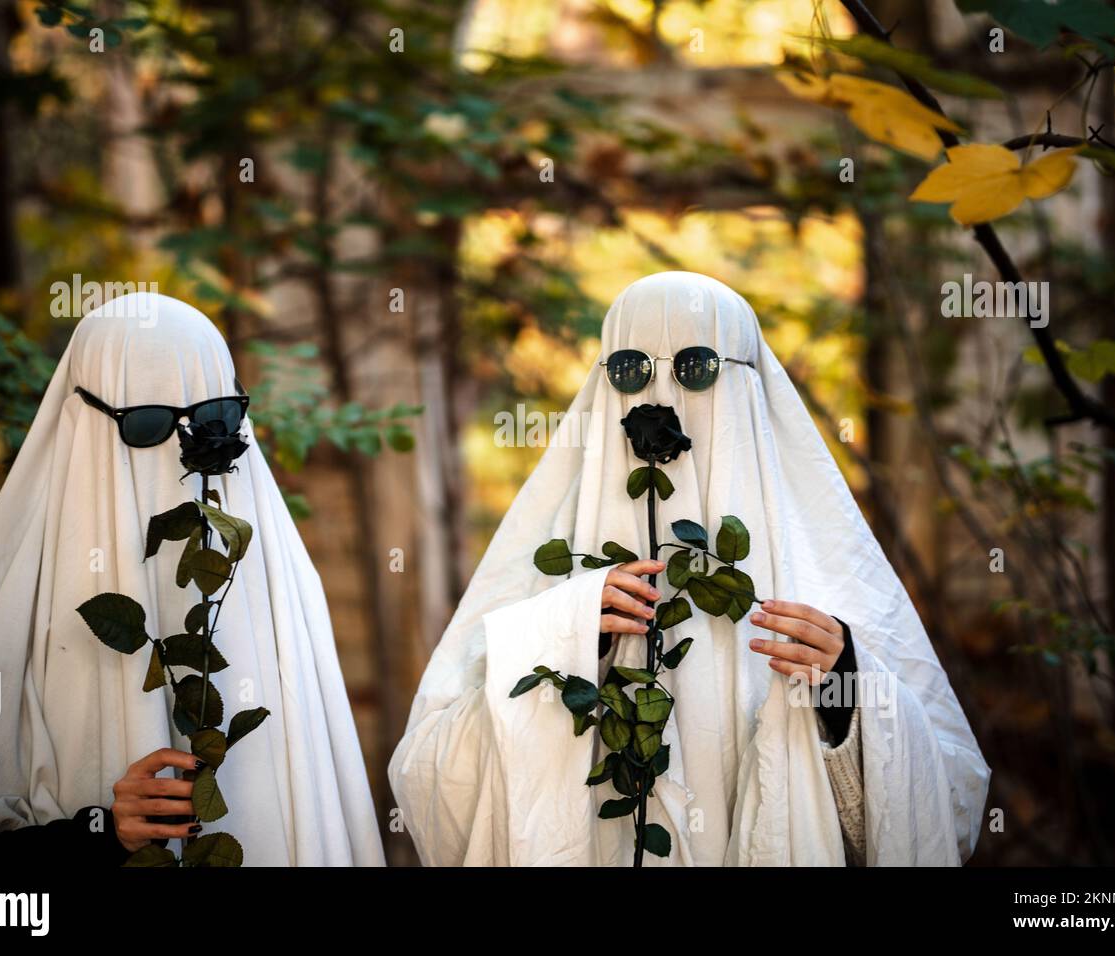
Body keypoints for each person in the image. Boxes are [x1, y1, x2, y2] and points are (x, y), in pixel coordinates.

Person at [389, 271, 989, 866]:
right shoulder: (550, 552)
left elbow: (954, 802)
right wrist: (566, 636)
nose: (662, 406)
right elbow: (430, 781)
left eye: (695, 369)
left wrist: (845, 686)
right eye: (631, 369)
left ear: (745, 382)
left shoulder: (822, 560)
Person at [0, 293, 384, 867]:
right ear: (84, 417)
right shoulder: (1, 608)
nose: (183, 452)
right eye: (148, 425)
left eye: (212, 421)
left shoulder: (283, 587)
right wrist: (98, 836)